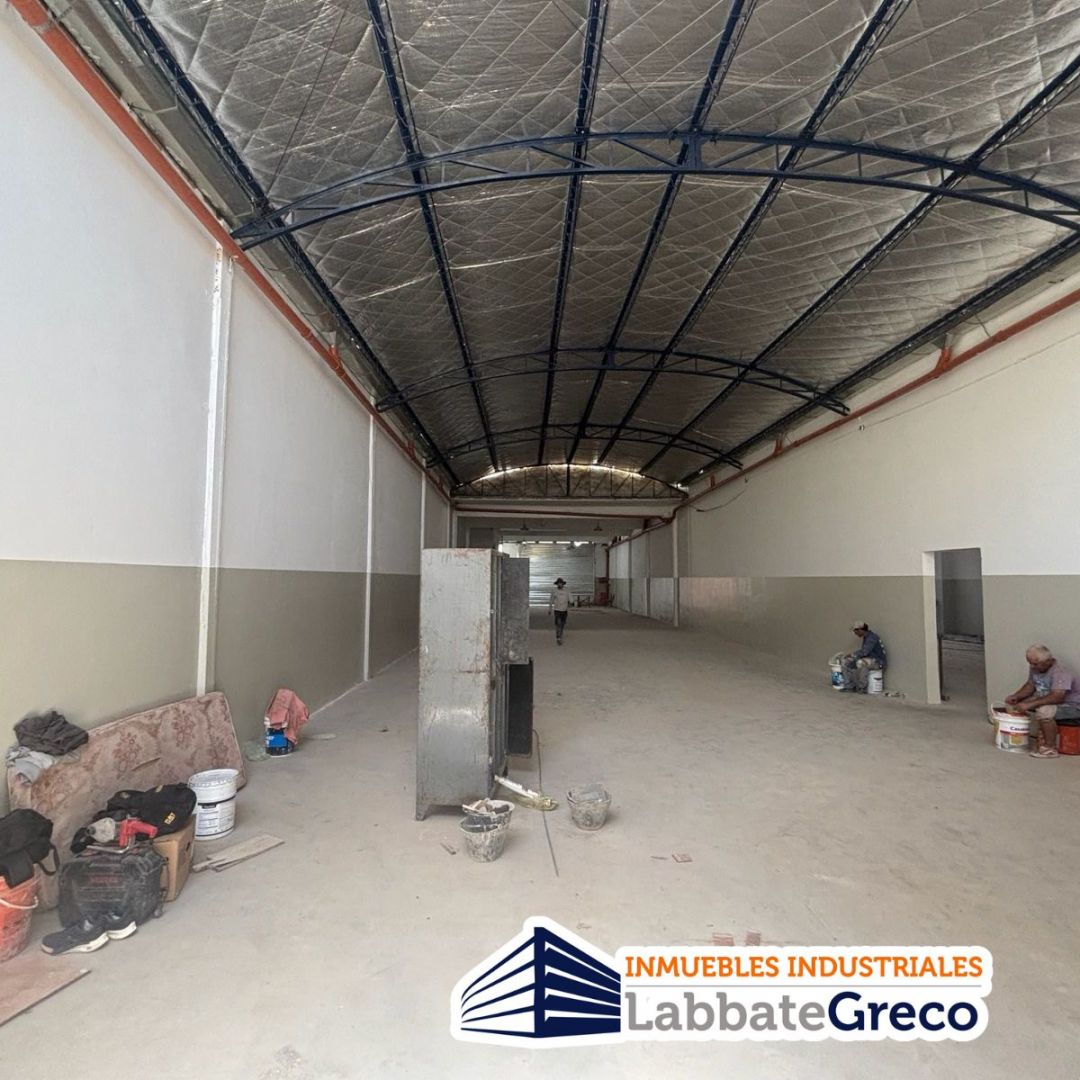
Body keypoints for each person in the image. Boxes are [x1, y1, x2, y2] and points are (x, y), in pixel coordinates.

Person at [1004, 644, 1080, 759]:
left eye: (1035, 664)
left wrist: (1030, 704)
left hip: (1072, 706)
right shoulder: (1036, 667)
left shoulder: (1061, 672)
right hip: (1050, 700)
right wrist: (1017, 696)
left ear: (1048, 661)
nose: (1032, 666)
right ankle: (1027, 735)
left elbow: (1057, 697)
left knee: (1044, 711)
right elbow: (1030, 685)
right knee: (1016, 705)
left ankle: (1050, 748)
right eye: (1030, 663)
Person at [840, 621, 886, 693]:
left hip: (878, 662)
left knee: (861, 662)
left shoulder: (872, 637)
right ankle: (849, 686)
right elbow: (864, 653)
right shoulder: (866, 637)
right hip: (869, 659)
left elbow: (864, 652)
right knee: (845, 662)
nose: (855, 633)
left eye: (855, 631)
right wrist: (852, 657)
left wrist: (852, 654)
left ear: (860, 630)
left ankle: (862, 688)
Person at [548, 578, 570, 645]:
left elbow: (570, 597)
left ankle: (560, 634)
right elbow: (551, 600)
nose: (559, 584)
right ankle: (558, 638)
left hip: (564, 610)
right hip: (557, 610)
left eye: (561, 583)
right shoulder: (554, 591)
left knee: (562, 624)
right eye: (558, 583)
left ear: (563, 584)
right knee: (558, 623)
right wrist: (550, 609)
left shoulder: (567, 590)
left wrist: (573, 602)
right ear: (557, 584)